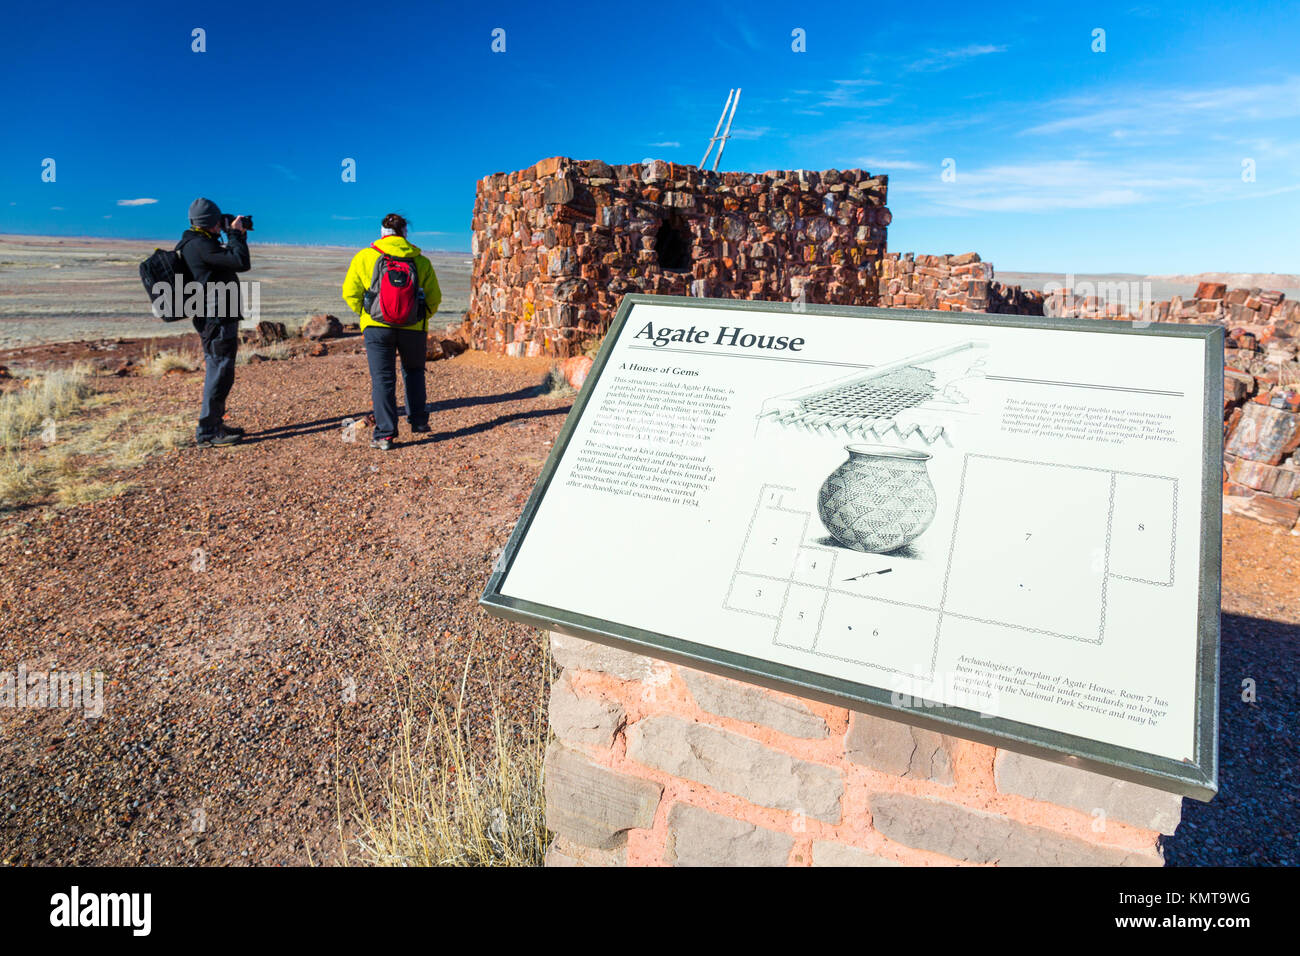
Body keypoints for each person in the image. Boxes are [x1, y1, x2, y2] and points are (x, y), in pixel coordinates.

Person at [341, 213, 442, 450]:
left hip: (377, 328)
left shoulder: (365, 257)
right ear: (405, 233)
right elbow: (434, 298)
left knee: (383, 379)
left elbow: (350, 292)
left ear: (382, 232)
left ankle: (385, 434)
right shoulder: (421, 261)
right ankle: (418, 423)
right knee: (415, 372)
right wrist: (419, 316)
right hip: (413, 328)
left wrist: (367, 315)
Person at [179, 198, 252, 447]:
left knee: (222, 370)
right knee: (219, 371)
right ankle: (208, 430)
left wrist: (230, 235)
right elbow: (241, 262)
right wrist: (235, 235)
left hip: (217, 315)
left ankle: (215, 423)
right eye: (217, 222)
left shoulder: (200, 242)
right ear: (209, 223)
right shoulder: (200, 245)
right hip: (216, 317)